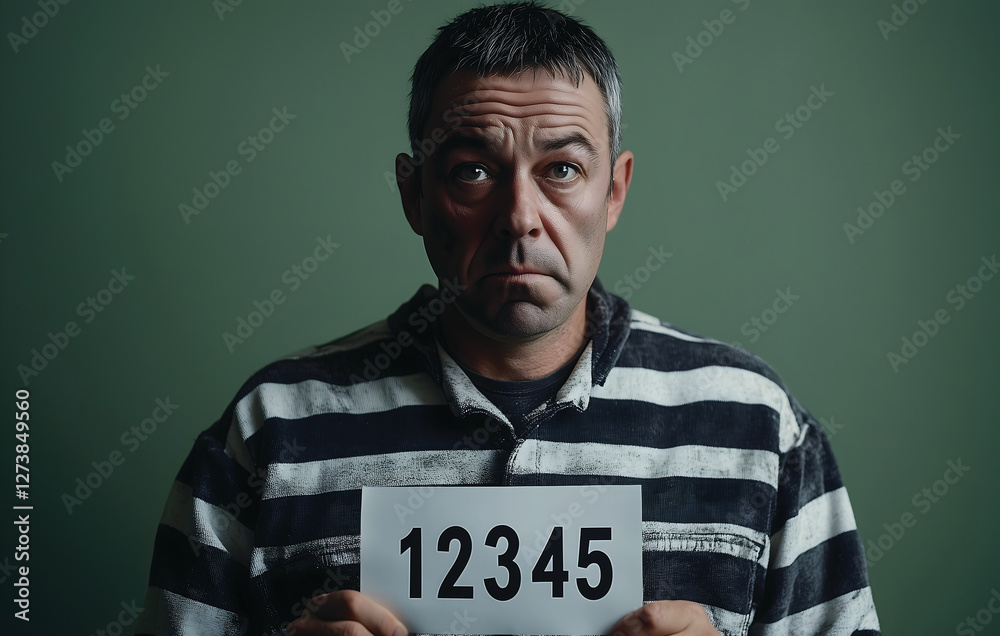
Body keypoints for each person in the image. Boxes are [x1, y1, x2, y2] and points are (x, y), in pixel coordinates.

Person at [136, 2, 880, 635]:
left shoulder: (758, 428)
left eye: (561, 169)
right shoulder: (269, 431)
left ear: (614, 192)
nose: (519, 218)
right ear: (414, 196)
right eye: (472, 170)